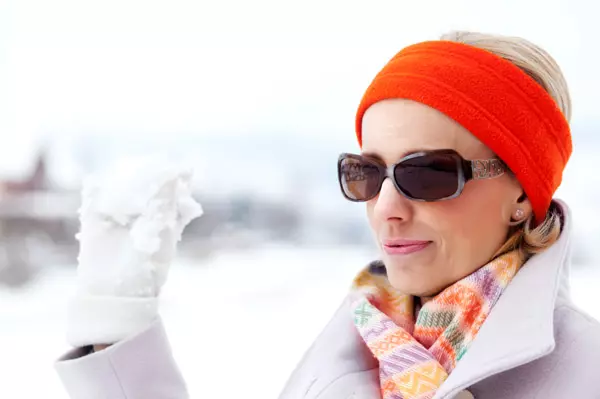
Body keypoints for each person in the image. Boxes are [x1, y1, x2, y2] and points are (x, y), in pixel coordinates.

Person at [55, 31, 600, 399]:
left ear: (523, 194)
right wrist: (116, 327)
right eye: (366, 173)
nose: (385, 207)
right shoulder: (368, 329)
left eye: (429, 174)